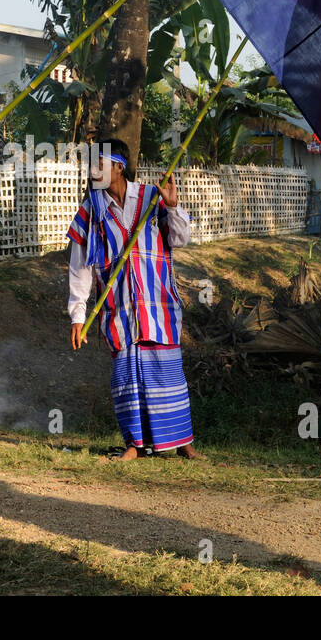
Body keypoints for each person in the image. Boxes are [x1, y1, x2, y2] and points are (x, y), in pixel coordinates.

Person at [67, 139, 202, 460]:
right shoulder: (90, 212)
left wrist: (171, 206)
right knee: (127, 379)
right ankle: (136, 445)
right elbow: (80, 268)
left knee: (167, 377)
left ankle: (183, 443)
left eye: (98, 163)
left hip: (159, 306)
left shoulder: (152, 198)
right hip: (119, 309)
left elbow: (180, 238)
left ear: (118, 166)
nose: (92, 170)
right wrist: (77, 314)